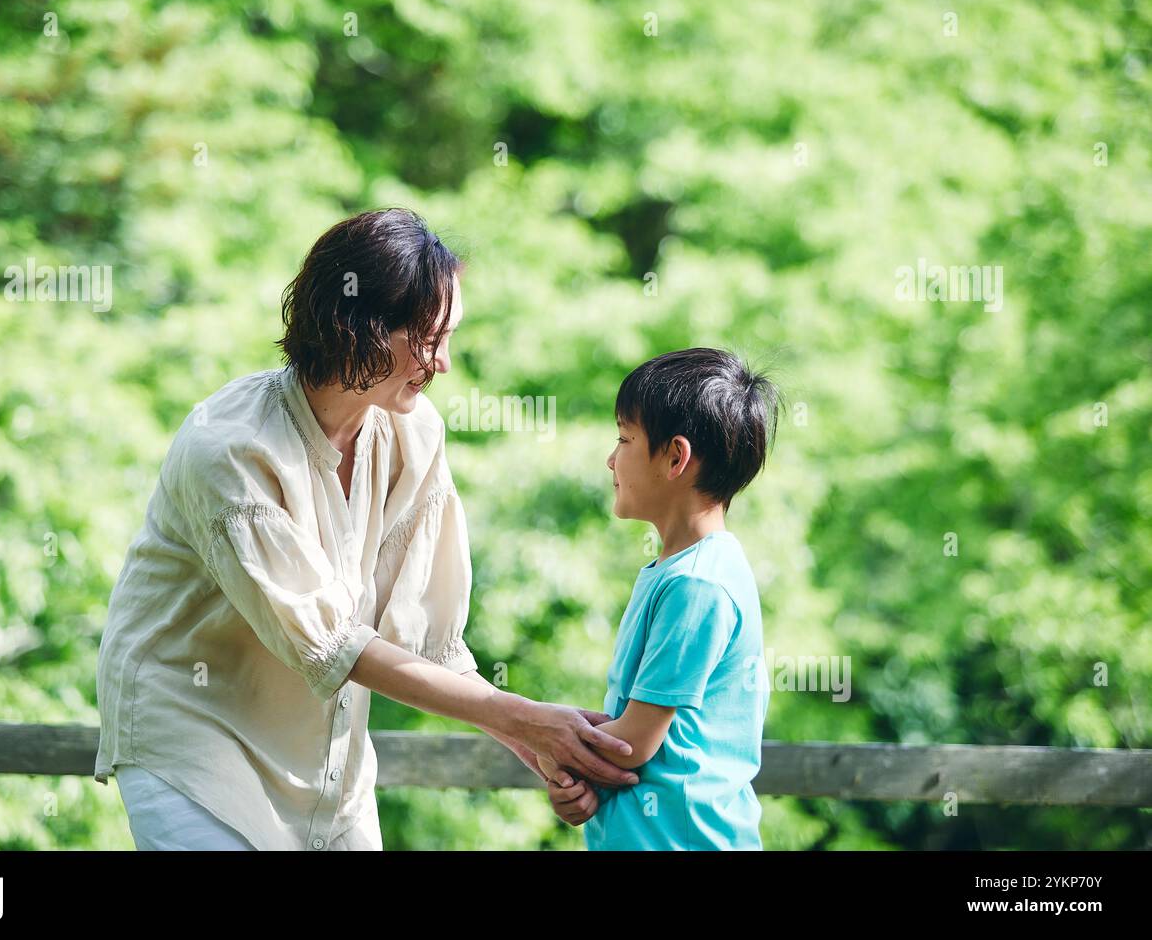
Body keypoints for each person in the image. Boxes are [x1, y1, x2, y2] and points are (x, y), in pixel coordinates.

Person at [94, 207, 637, 850]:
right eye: (430, 340)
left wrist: (532, 741)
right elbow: (331, 647)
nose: (445, 364)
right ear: (364, 329)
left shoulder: (415, 431)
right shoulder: (231, 448)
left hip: (328, 769)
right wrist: (526, 719)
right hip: (192, 741)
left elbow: (428, 644)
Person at [539, 348, 778, 849]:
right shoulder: (682, 572)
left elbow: (630, 744)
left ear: (675, 457)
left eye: (624, 439)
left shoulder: (697, 585)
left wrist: (553, 748)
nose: (611, 458)